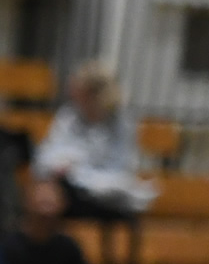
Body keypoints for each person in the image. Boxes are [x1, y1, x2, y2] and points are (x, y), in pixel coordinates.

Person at [33, 62, 154, 216]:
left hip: (109, 192)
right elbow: (46, 157)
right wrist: (62, 165)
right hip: (72, 191)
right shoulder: (68, 117)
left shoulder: (122, 123)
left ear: (92, 94)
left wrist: (88, 175)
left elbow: (123, 166)